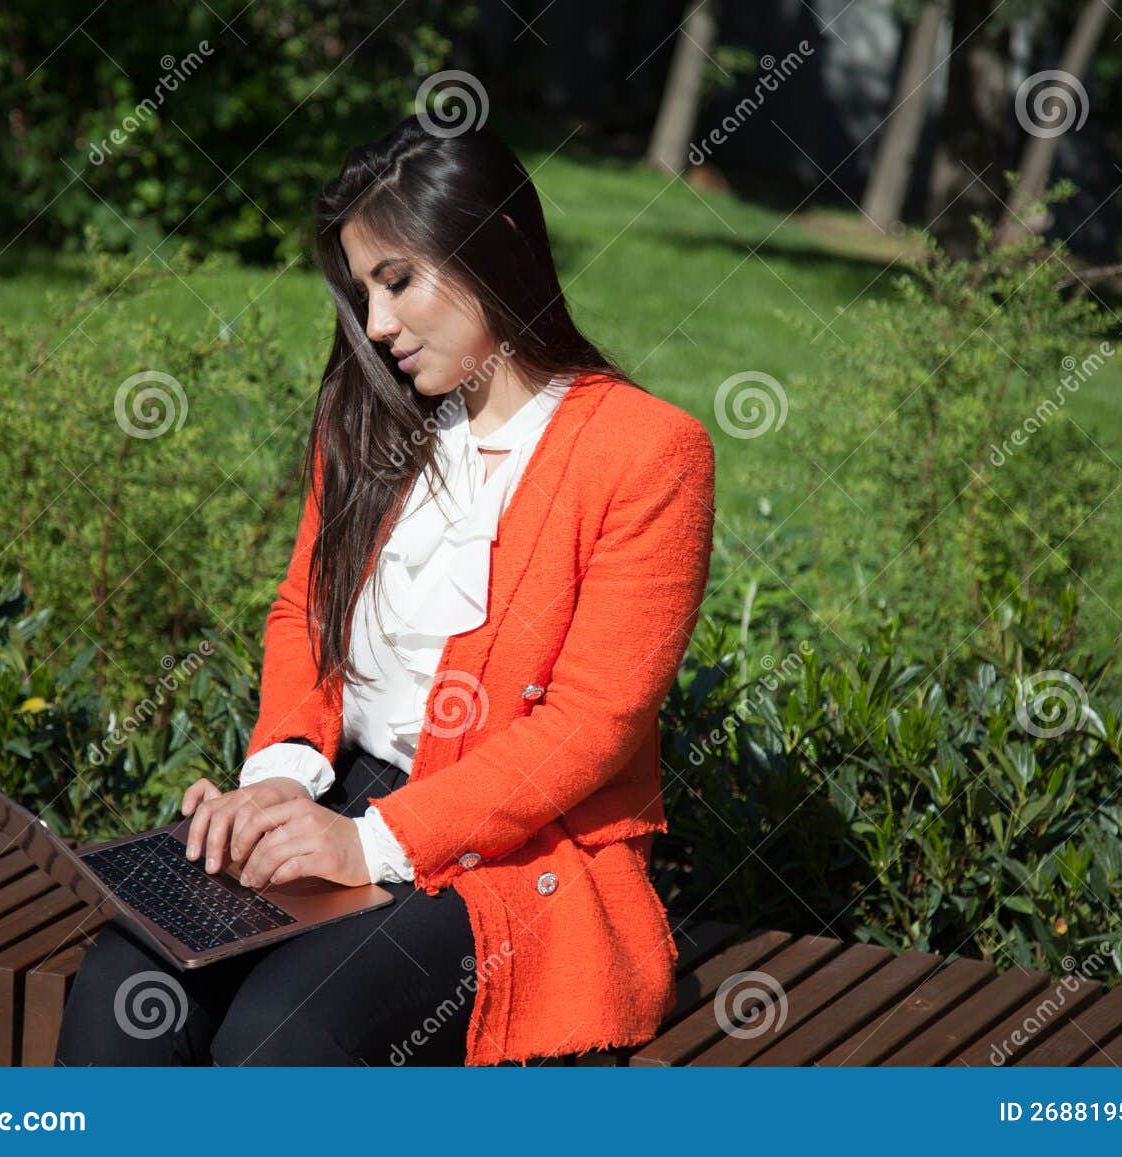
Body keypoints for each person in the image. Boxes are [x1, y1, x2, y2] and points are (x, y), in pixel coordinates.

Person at [55, 113, 716, 1067]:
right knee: (127, 985)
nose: (376, 326)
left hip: (515, 852)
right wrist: (278, 783)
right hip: (340, 798)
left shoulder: (647, 452)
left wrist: (368, 846)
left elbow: (591, 726)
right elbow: (303, 613)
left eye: (398, 281)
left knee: (284, 1036)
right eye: (363, 291)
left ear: (495, 245)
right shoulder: (370, 423)